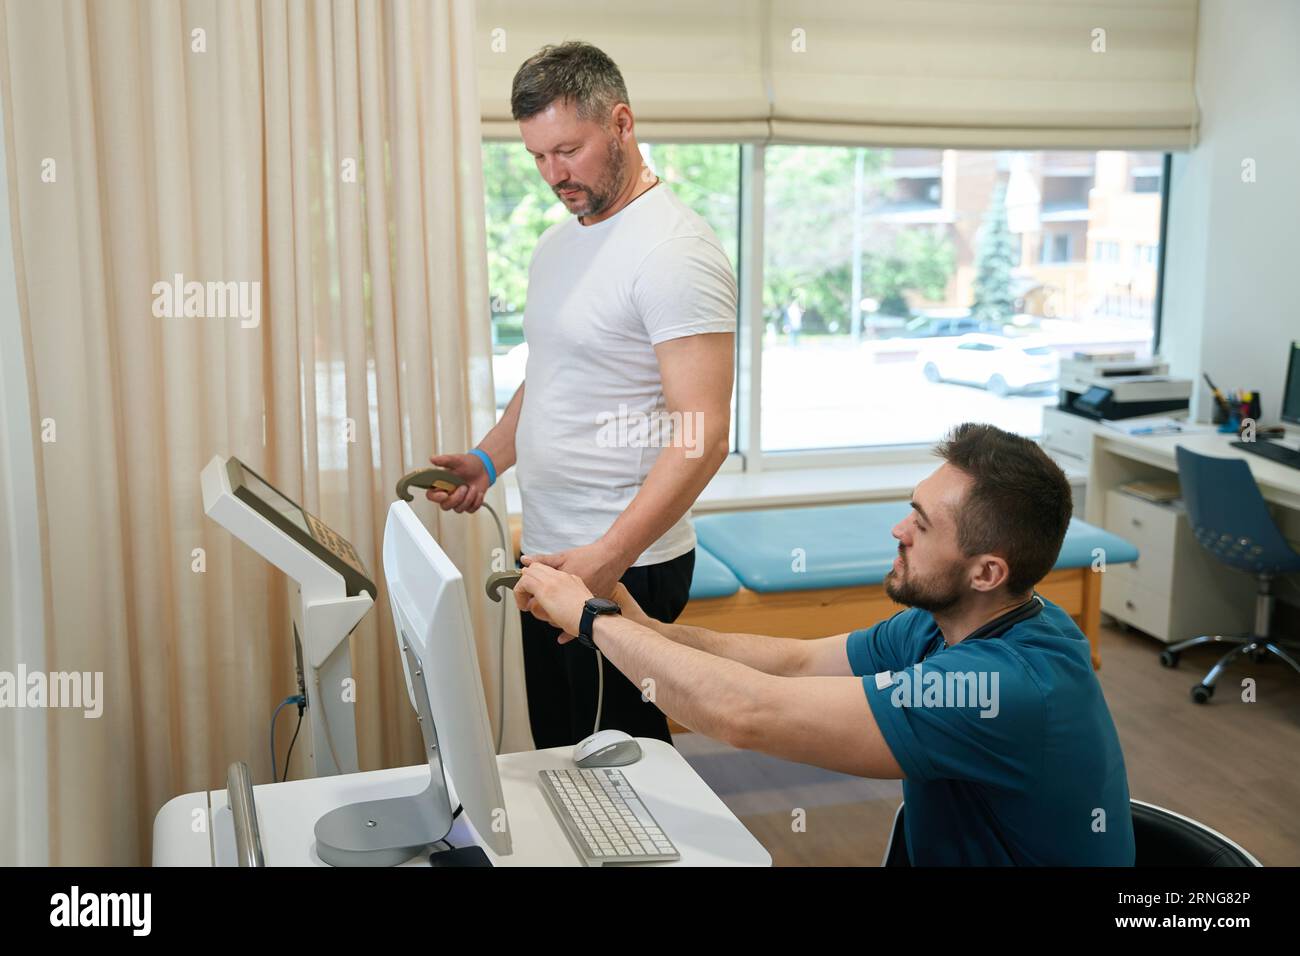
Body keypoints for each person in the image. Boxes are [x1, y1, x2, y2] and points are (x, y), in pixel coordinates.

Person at [514, 422, 1136, 865]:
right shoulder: (949, 619)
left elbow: (750, 713)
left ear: (987, 572)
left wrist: (595, 623)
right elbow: (796, 662)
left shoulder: (1003, 687)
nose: (898, 531)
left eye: (920, 525)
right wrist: (637, 623)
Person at [426, 41, 736, 748]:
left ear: (622, 123)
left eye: (568, 149)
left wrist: (609, 556)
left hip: (627, 560)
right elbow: (554, 376)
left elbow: (705, 434)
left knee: (620, 759)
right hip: (551, 553)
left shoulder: (675, 252)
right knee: (562, 751)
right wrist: (488, 458)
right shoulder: (557, 245)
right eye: (536, 156)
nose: (552, 174)